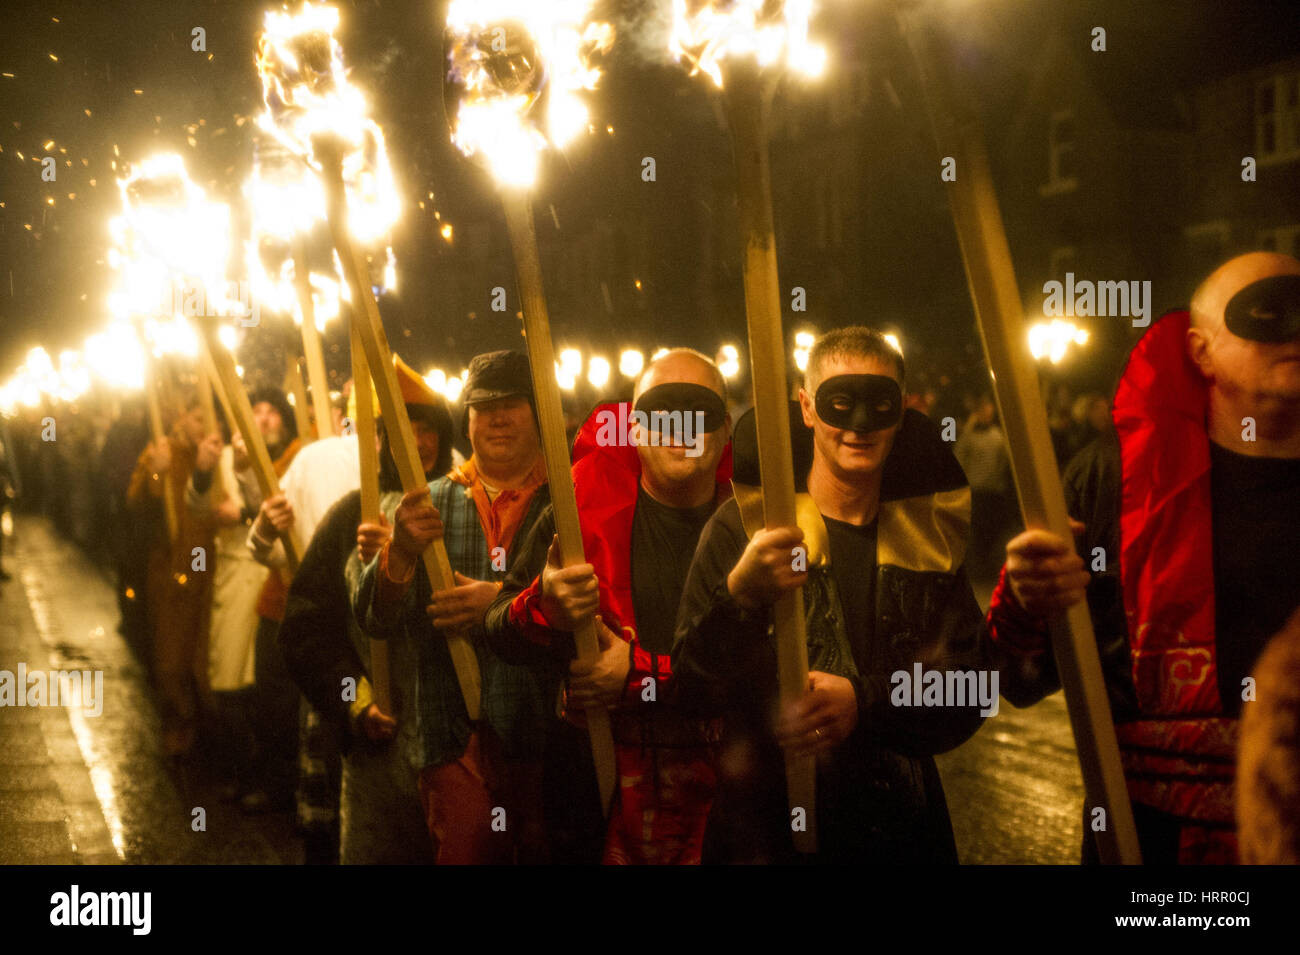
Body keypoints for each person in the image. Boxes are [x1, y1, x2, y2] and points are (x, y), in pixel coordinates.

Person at [671, 326, 1041, 864]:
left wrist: (865, 704)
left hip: (900, 838)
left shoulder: (927, 533)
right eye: (840, 403)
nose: (860, 425)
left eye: (879, 403)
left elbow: (971, 689)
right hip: (766, 835)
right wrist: (741, 598)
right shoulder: (746, 527)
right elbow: (692, 688)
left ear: (903, 409)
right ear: (806, 406)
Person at [992, 251, 1300, 863]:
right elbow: (1016, 681)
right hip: (1147, 851)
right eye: (1267, 312)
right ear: (1201, 350)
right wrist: (1030, 601)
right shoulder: (1112, 481)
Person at [483, 348, 735, 864]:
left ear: (726, 429)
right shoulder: (577, 513)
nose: (679, 427)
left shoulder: (759, 523)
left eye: (699, 411)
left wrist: (641, 676)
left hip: (731, 811)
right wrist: (543, 605)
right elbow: (496, 629)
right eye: (660, 412)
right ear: (633, 428)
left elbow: (774, 669)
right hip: (595, 807)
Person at [353, 350, 556, 864]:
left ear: (540, 411)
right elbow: (375, 619)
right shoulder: (429, 503)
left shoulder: (569, 502)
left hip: (551, 736)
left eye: (512, 404)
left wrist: (503, 604)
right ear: (467, 422)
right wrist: (398, 551)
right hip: (454, 736)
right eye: (484, 408)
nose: (498, 418)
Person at [279, 365, 453, 865]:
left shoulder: (470, 509)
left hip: (458, 755)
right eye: (402, 430)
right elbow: (305, 633)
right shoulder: (351, 517)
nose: (417, 443)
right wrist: (356, 699)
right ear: (378, 439)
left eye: (427, 430)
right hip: (379, 754)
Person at [125, 394, 216, 757]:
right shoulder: (161, 451)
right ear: (182, 418)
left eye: (212, 422)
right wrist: (156, 469)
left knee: (206, 653)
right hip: (171, 569)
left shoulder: (216, 454)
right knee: (172, 653)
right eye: (198, 419)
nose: (206, 429)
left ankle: (211, 731)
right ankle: (180, 722)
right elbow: (136, 503)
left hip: (210, 567)